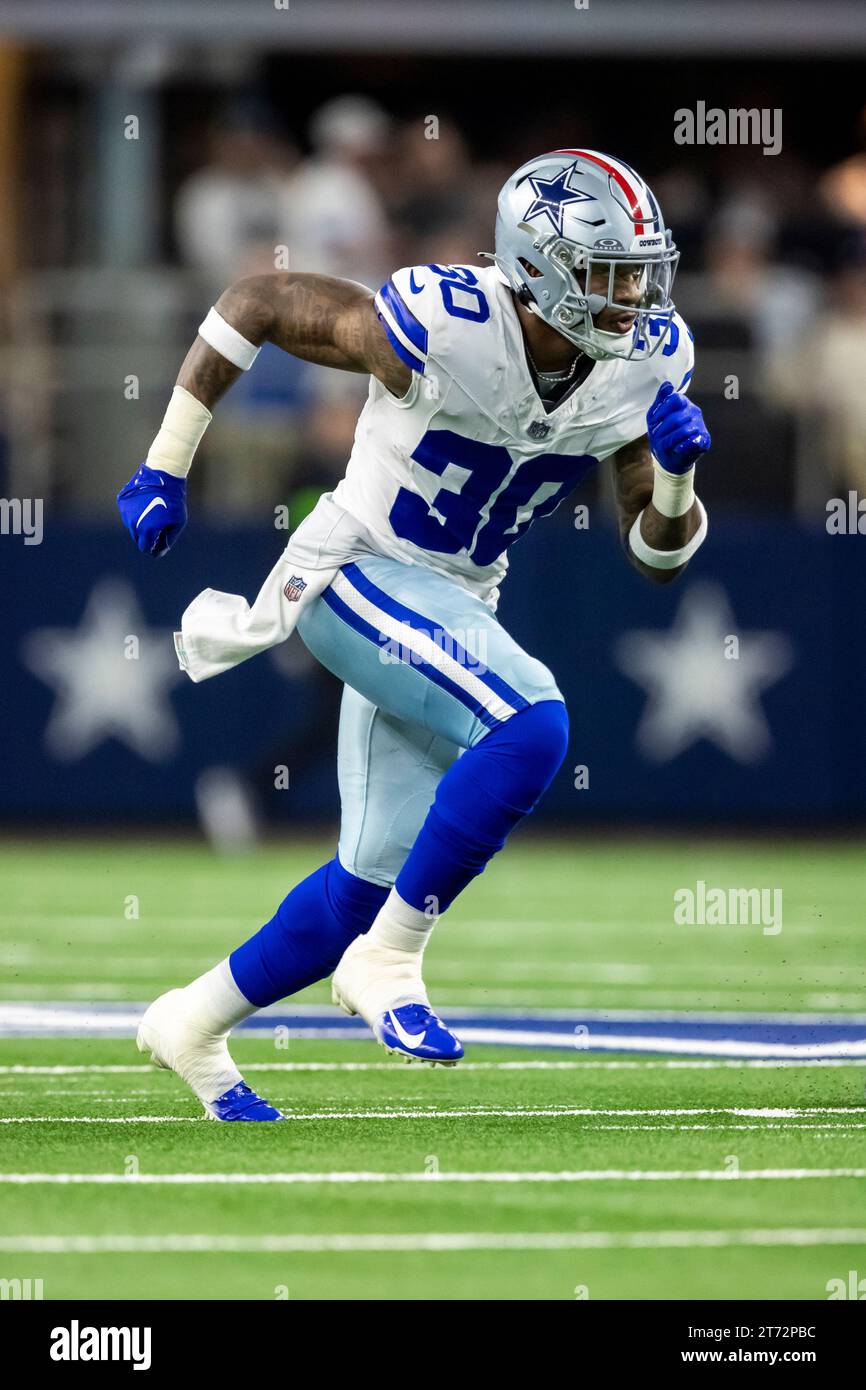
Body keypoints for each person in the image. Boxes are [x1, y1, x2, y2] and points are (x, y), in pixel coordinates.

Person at [117, 149, 711, 1120]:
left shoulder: (646, 360)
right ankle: (389, 962)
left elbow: (656, 558)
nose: (635, 297)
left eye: (644, 272)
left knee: (361, 880)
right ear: (540, 268)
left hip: (454, 604)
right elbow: (257, 301)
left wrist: (678, 482)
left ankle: (190, 1019)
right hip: (353, 571)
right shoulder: (443, 323)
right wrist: (165, 461)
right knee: (532, 724)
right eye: (609, 274)